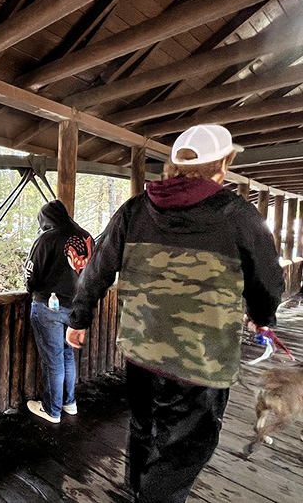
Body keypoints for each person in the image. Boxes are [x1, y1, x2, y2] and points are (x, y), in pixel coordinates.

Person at [65, 124, 284, 503]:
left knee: (142, 426)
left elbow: (97, 268)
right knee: (182, 451)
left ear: (173, 165)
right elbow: (268, 282)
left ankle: (137, 489)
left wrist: (79, 319)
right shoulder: (239, 215)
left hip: (141, 350)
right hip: (200, 361)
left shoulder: (135, 209)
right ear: (223, 166)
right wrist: (263, 317)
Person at [24, 199, 93, 423]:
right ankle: (69, 403)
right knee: (67, 355)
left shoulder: (48, 237)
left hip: (49, 307)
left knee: (52, 360)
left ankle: (52, 410)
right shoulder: (86, 236)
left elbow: (31, 273)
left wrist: (31, 290)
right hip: (75, 308)